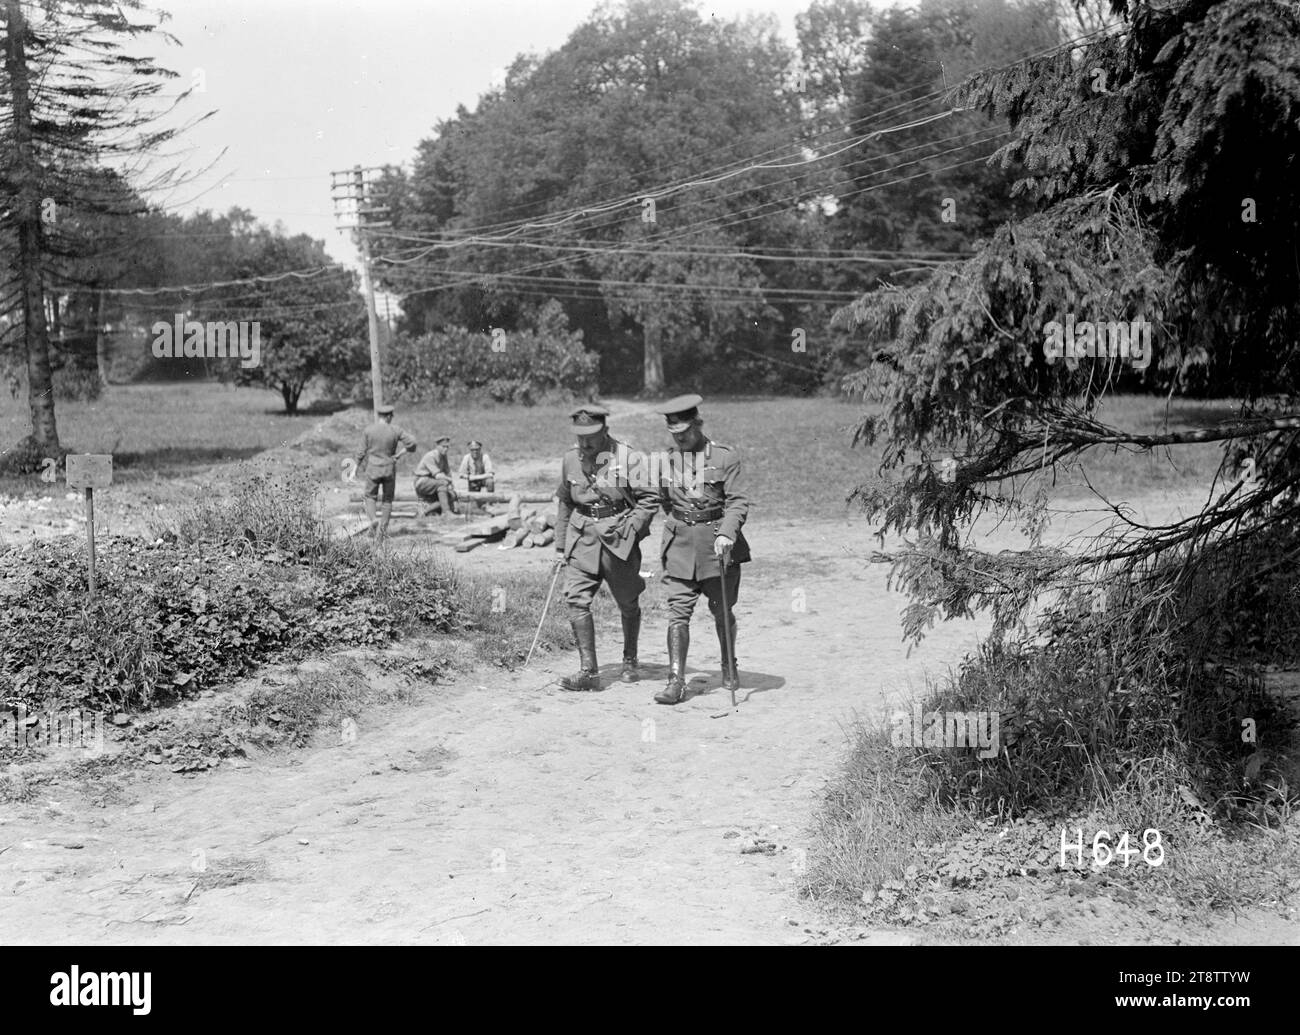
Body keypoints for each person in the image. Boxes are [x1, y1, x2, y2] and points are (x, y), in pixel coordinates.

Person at [651, 394, 750, 705]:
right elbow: (666, 502)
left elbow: (737, 502)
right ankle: (676, 681)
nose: (680, 438)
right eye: (674, 434)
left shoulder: (723, 457)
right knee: (678, 612)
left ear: (698, 424)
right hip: (680, 546)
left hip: (716, 545)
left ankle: (728, 663)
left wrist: (727, 533)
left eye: (685, 432)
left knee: (722, 610)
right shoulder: (664, 461)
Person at [554, 404, 659, 691]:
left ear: (605, 431)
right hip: (581, 538)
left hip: (617, 538)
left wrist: (631, 530)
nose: (585, 443)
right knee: (576, 599)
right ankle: (589, 671)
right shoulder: (569, 459)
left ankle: (629, 659)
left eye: (591, 436)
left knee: (627, 601)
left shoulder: (627, 457)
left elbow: (650, 499)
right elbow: (565, 501)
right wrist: (560, 546)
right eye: (580, 437)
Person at [354, 404, 417, 540]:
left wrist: (355, 468)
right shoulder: (395, 430)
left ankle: (373, 520)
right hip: (389, 468)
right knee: (387, 500)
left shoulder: (369, 430)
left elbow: (361, 452)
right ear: (388, 416)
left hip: (373, 468)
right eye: (391, 416)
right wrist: (400, 454)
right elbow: (412, 443)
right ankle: (382, 532)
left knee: (370, 496)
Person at [413, 435, 459, 517]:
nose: (446, 449)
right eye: (443, 446)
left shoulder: (443, 456)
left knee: (449, 495)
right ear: (437, 446)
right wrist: (449, 481)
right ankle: (446, 512)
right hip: (422, 482)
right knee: (443, 483)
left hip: (433, 483)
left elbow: (447, 471)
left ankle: (425, 512)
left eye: (447, 447)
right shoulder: (430, 456)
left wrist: (450, 485)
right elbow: (438, 475)